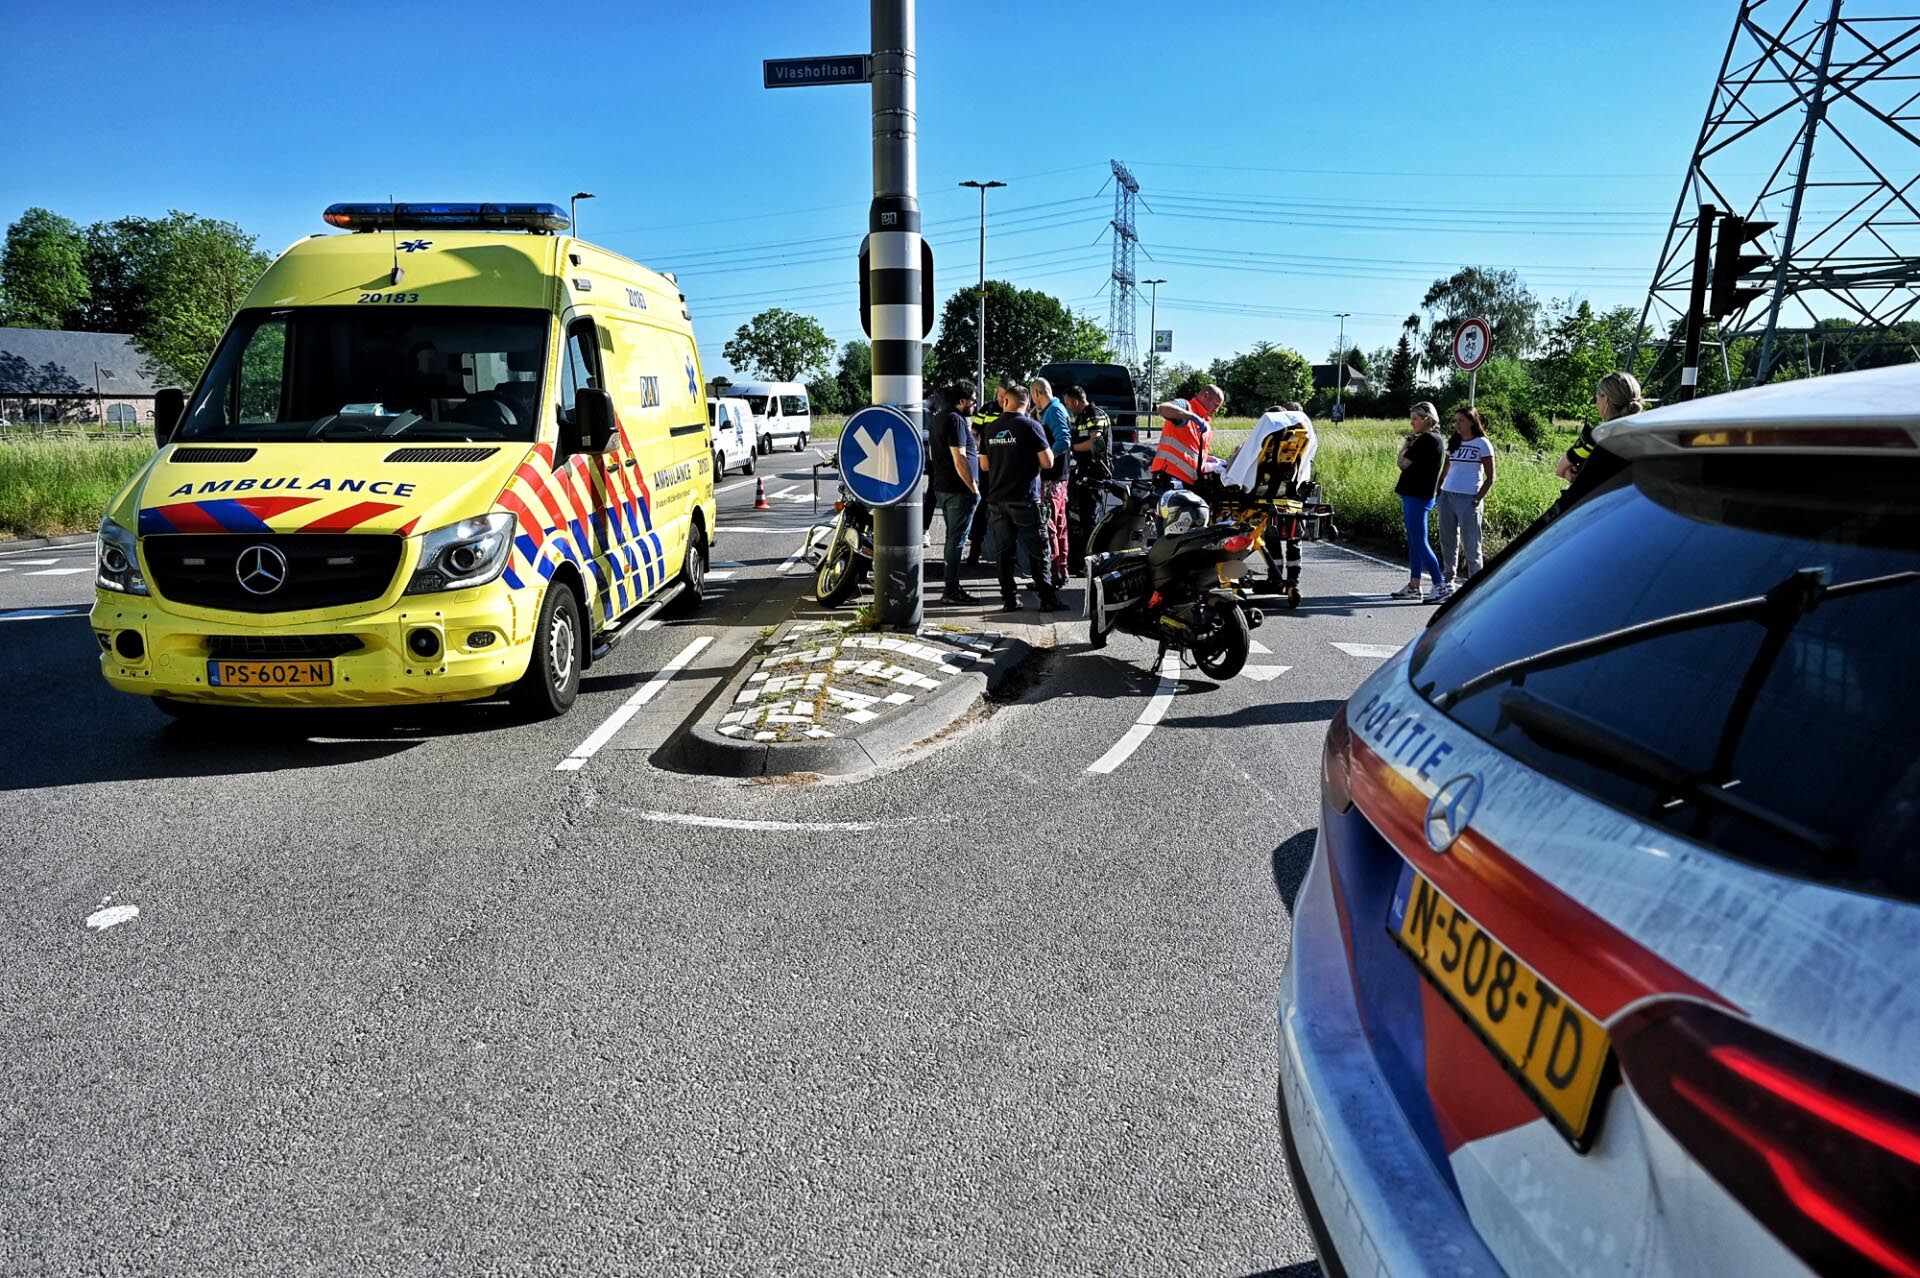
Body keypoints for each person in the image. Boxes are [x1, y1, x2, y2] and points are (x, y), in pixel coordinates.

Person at [977, 381, 1061, 612]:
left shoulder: (990, 428)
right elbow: (1048, 461)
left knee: (1004, 553)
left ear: (1005, 401)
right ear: (1028, 403)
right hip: (1025, 499)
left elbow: (984, 465)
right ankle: (1047, 599)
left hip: (997, 500)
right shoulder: (1032, 427)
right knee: (1039, 550)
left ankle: (1009, 600)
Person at [928, 380, 982, 604]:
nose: (975, 405)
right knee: (956, 541)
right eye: (973, 400)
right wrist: (974, 488)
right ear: (962, 401)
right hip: (959, 490)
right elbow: (959, 458)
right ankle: (951, 590)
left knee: (952, 539)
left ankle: (951, 586)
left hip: (942, 486)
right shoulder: (956, 420)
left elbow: (932, 454)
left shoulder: (938, 417)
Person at [1434, 406, 1496, 600]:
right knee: (1448, 540)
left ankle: (1475, 586)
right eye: (1455, 421)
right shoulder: (1454, 442)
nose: (1457, 424)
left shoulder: (1482, 444)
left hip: (1468, 498)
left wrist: (1477, 498)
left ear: (1471, 421)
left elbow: (1491, 477)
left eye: (1461, 420)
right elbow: (1445, 471)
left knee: (1471, 543)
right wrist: (1438, 492)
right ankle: (1448, 581)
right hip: (1447, 495)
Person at [1390, 401, 1447, 600]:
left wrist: (1406, 444)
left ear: (1427, 419)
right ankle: (1414, 586)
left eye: (1415, 418)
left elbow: (1402, 463)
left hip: (1417, 495)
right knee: (1415, 542)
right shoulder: (1432, 439)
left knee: (1420, 542)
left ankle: (1439, 584)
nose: (1412, 422)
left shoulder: (1427, 440)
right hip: (1417, 495)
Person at [1062, 384, 1112, 576]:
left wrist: (1072, 448)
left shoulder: (1093, 414)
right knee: (1081, 519)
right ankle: (1080, 561)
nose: (1068, 407)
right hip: (1083, 472)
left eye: (1068, 403)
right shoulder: (1083, 416)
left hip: (1095, 474)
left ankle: (1091, 564)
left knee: (1090, 520)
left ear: (1076, 400)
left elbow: (1095, 442)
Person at [1029, 377, 1074, 589]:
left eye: (1032, 396)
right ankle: (1060, 570)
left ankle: (1052, 574)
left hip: (1052, 478)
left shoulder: (1054, 411)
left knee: (1049, 526)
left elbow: (1064, 440)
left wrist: (1045, 459)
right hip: (1059, 478)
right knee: (1059, 524)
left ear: (1037, 393)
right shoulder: (1055, 409)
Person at [1150, 384, 1224, 489]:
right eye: (1216, 405)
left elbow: (1191, 450)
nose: (1216, 410)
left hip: (1189, 481)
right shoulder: (1185, 407)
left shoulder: (1205, 422)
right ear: (1205, 396)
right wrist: (1192, 416)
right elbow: (1163, 409)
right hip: (1170, 477)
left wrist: (1208, 459)